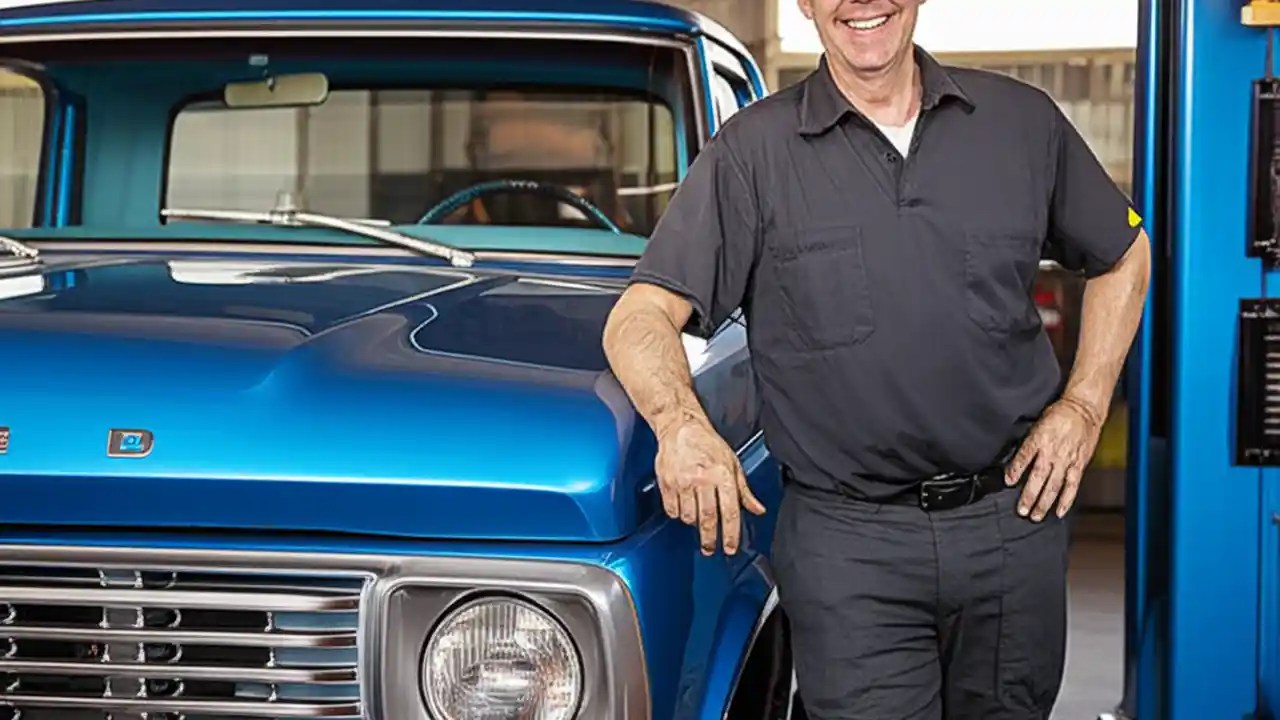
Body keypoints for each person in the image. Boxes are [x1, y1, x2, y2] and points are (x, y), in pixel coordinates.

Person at [601, 0, 1152, 717]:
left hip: (1011, 526)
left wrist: (1083, 405)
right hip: (850, 547)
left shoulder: (1021, 124)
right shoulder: (753, 153)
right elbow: (640, 315)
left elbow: (1125, 252)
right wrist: (680, 426)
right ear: (804, 4)